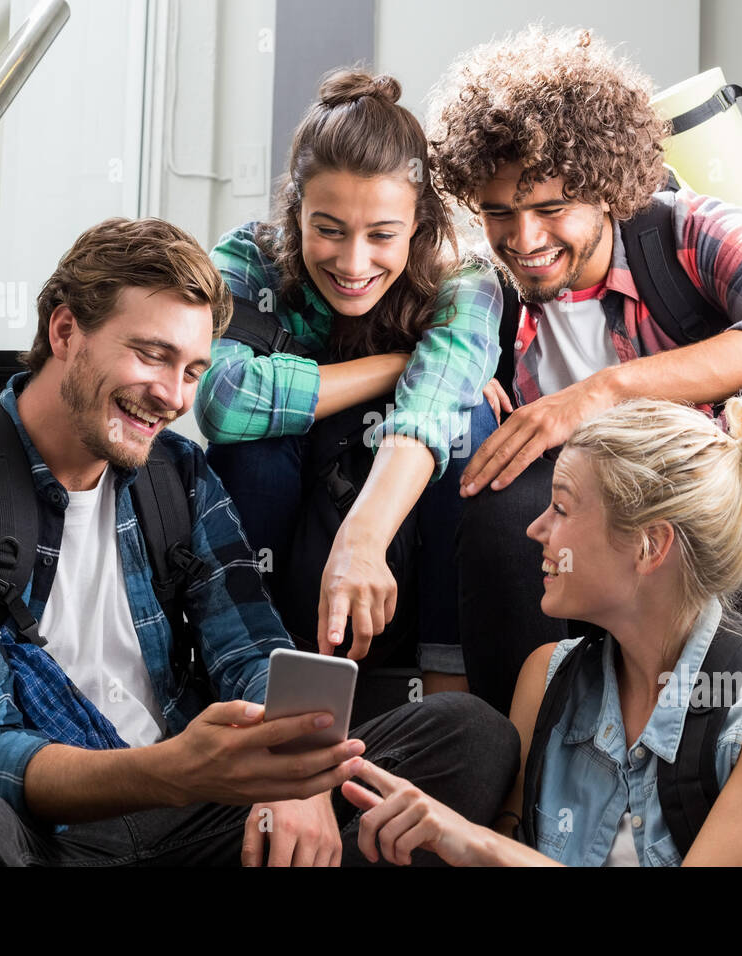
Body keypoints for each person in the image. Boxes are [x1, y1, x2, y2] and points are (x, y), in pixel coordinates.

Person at [0, 217, 517, 867]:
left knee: (468, 735)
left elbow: (253, 653)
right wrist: (176, 770)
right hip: (49, 834)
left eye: (193, 371)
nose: (171, 396)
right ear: (66, 330)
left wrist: (295, 776)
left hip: (193, 818)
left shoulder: (178, 476)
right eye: (151, 355)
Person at [424, 26, 742, 712]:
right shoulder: (485, 290)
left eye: (551, 209)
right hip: (586, 546)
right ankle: (527, 764)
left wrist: (605, 392)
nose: (525, 239)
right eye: (499, 214)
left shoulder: (686, 232)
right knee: (499, 493)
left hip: (712, 523)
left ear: (605, 188)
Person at [340, 394, 742, 866]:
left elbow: (493, 850)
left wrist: (478, 845)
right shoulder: (546, 677)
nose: (536, 529)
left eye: (560, 507)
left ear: (649, 547)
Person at [197, 70, 502, 694]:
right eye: (328, 229)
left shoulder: (464, 281)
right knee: (252, 440)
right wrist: (400, 365)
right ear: (296, 211)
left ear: (418, 224)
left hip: (400, 535)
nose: (353, 263)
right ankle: (256, 674)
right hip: (282, 530)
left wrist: (361, 541)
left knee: (469, 422)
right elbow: (223, 400)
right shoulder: (250, 259)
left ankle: (447, 691)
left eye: (383, 235)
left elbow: (430, 414)